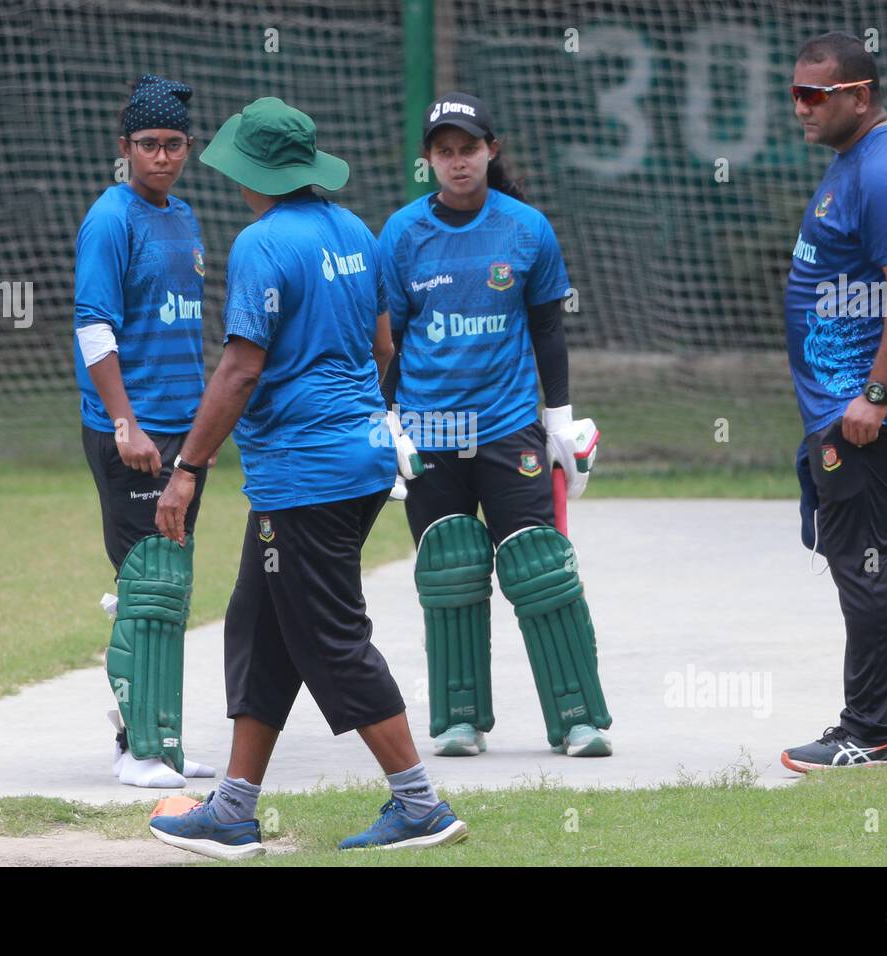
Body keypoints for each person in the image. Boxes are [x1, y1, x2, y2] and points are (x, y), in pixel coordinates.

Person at [148, 97, 467, 859]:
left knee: (329, 638)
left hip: (306, 476)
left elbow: (239, 368)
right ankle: (232, 808)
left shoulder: (263, 244)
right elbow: (383, 346)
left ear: (252, 170)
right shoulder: (353, 230)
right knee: (260, 628)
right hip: (358, 460)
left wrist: (187, 468)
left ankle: (419, 803)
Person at [377, 92, 612, 759]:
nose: (457, 163)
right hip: (430, 432)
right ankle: (459, 719)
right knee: (450, 569)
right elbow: (389, 339)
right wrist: (387, 423)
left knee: (542, 570)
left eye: (468, 149)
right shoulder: (401, 234)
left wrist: (559, 423)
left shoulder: (527, 228)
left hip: (510, 428)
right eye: (444, 152)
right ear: (429, 160)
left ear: (491, 151)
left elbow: (547, 329)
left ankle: (578, 719)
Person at [781, 33, 887, 772]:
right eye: (795, 94)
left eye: (815, 95)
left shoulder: (883, 173)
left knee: (866, 562)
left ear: (860, 94)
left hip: (866, 411)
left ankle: (868, 731)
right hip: (853, 403)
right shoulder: (860, 162)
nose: (801, 108)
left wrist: (874, 395)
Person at [74, 74, 217, 789]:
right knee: (149, 584)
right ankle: (137, 749)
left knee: (171, 584)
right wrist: (127, 424)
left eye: (174, 144)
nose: (162, 156)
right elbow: (93, 328)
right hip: (132, 437)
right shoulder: (111, 218)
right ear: (124, 146)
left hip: (184, 438)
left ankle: (163, 735)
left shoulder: (184, 216)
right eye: (149, 144)